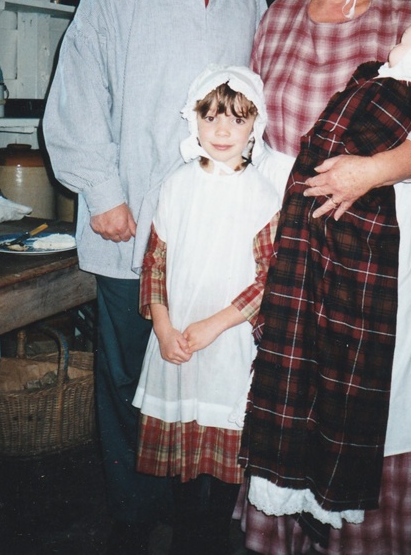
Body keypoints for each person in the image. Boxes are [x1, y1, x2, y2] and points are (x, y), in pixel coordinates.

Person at [42, 0, 267, 552]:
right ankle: (135, 523)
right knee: (132, 384)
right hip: (131, 222)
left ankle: (202, 523)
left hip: (220, 240)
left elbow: (262, 107)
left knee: (208, 381)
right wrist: (101, 191)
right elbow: (78, 94)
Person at [237, 0, 411, 555]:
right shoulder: (277, 14)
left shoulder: (408, 16)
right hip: (288, 218)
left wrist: (372, 169)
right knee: (290, 374)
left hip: (381, 227)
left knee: (366, 384)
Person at [132, 64, 293, 554]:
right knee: (184, 460)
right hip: (175, 340)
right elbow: (155, 260)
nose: (222, 130)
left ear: (254, 127)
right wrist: (162, 325)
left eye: (237, 119)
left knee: (223, 460)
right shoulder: (176, 186)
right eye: (212, 117)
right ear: (194, 120)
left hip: (228, 343)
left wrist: (216, 325)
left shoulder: (263, 196)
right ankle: (184, 539)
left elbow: (271, 278)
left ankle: (211, 538)